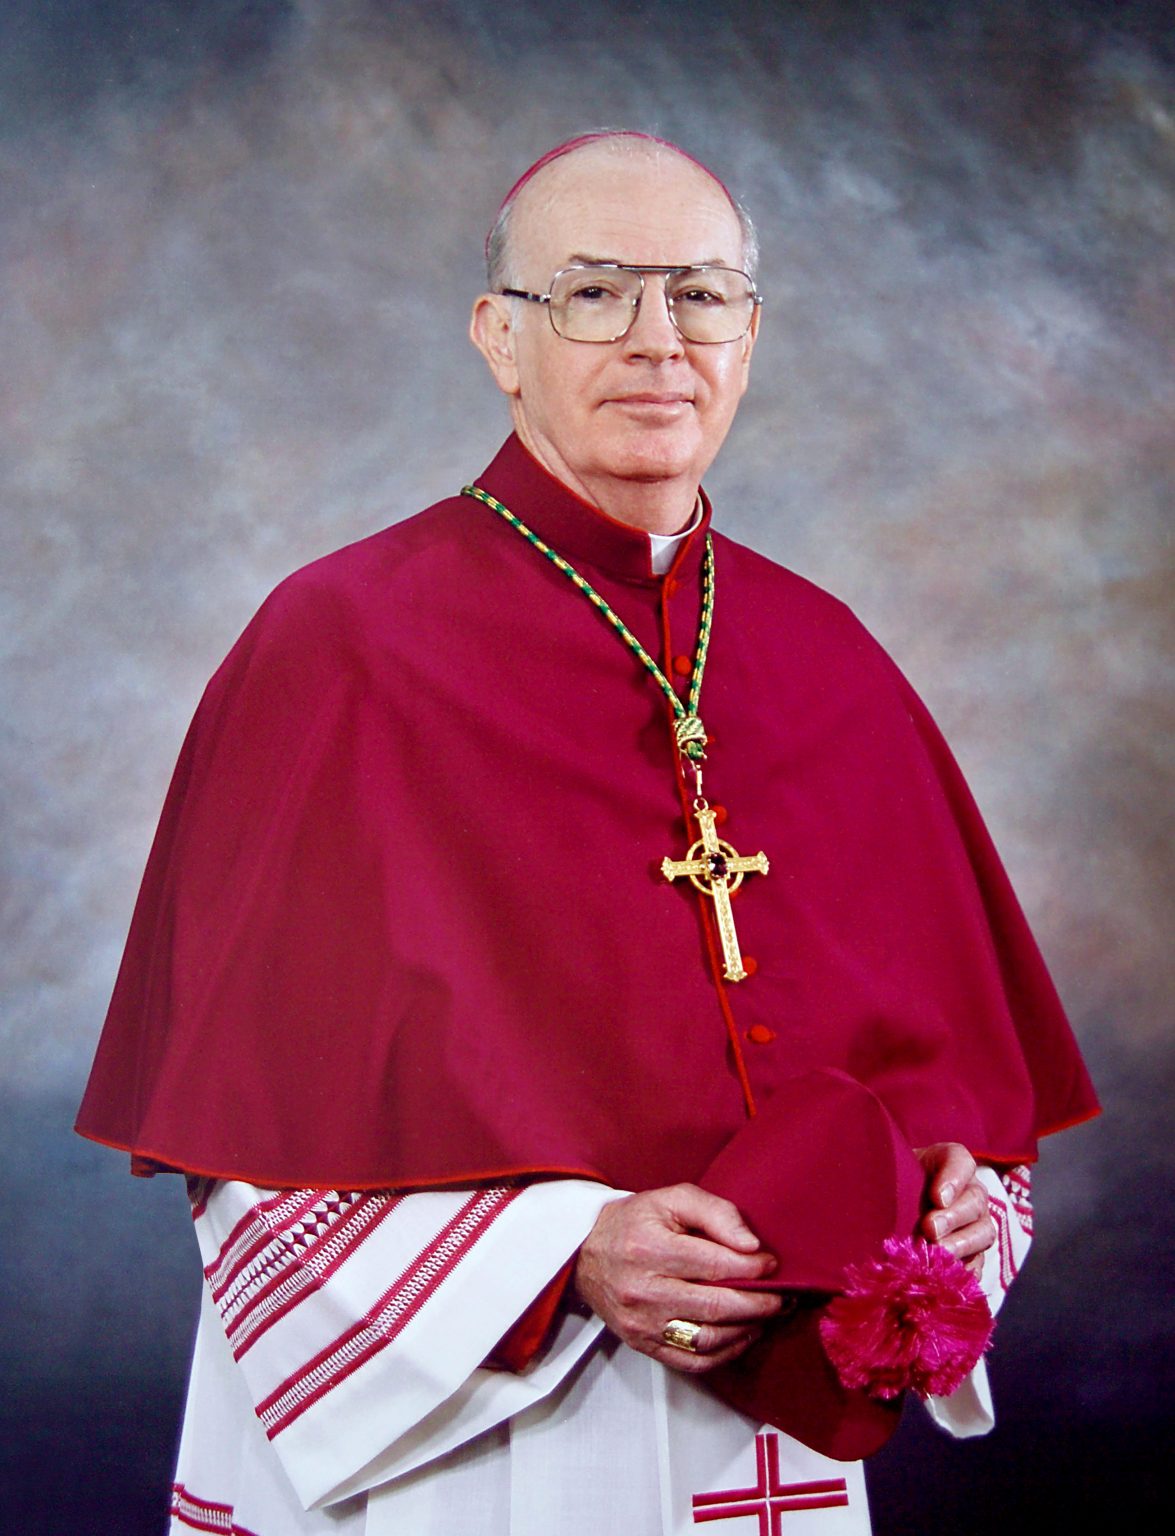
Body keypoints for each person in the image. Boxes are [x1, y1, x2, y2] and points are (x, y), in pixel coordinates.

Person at [77, 132, 1098, 1536]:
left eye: (702, 294)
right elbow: (243, 1142)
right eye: (595, 293)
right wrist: (562, 1256)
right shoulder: (338, 645)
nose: (658, 342)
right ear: (500, 338)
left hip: (765, 1452)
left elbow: (957, 1092)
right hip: (453, 1445)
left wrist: (948, 1210)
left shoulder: (833, 659)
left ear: (752, 334)